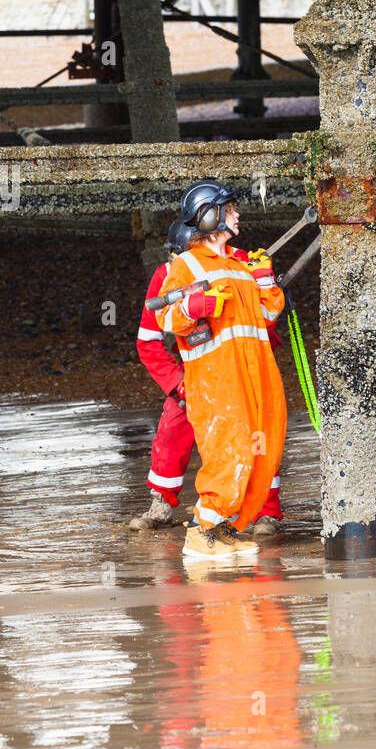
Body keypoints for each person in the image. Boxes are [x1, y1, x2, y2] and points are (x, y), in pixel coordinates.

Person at [132, 200, 286, 537]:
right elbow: (150, 342)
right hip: (196, 376)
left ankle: (266, 511)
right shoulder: (169, 274)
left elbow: (260, 328)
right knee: (173, 434)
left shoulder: (239, 264)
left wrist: (265, 284)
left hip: (239, 374)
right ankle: (161, 505)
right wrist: (178, 385)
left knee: (258, 439)